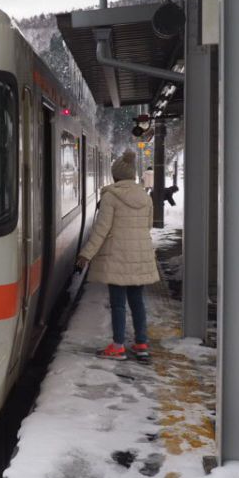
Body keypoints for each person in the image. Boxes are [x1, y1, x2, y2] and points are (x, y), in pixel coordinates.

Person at [74, 149, 160, 361]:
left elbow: (101, 230)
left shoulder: (111, 197)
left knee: (118, 303)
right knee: (137, 301)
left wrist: (86, 255)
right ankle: (141, 343)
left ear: (115, 176)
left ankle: (118, 346)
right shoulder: (145, 197)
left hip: (117, 258)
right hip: (140, 258)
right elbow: (147, 226)